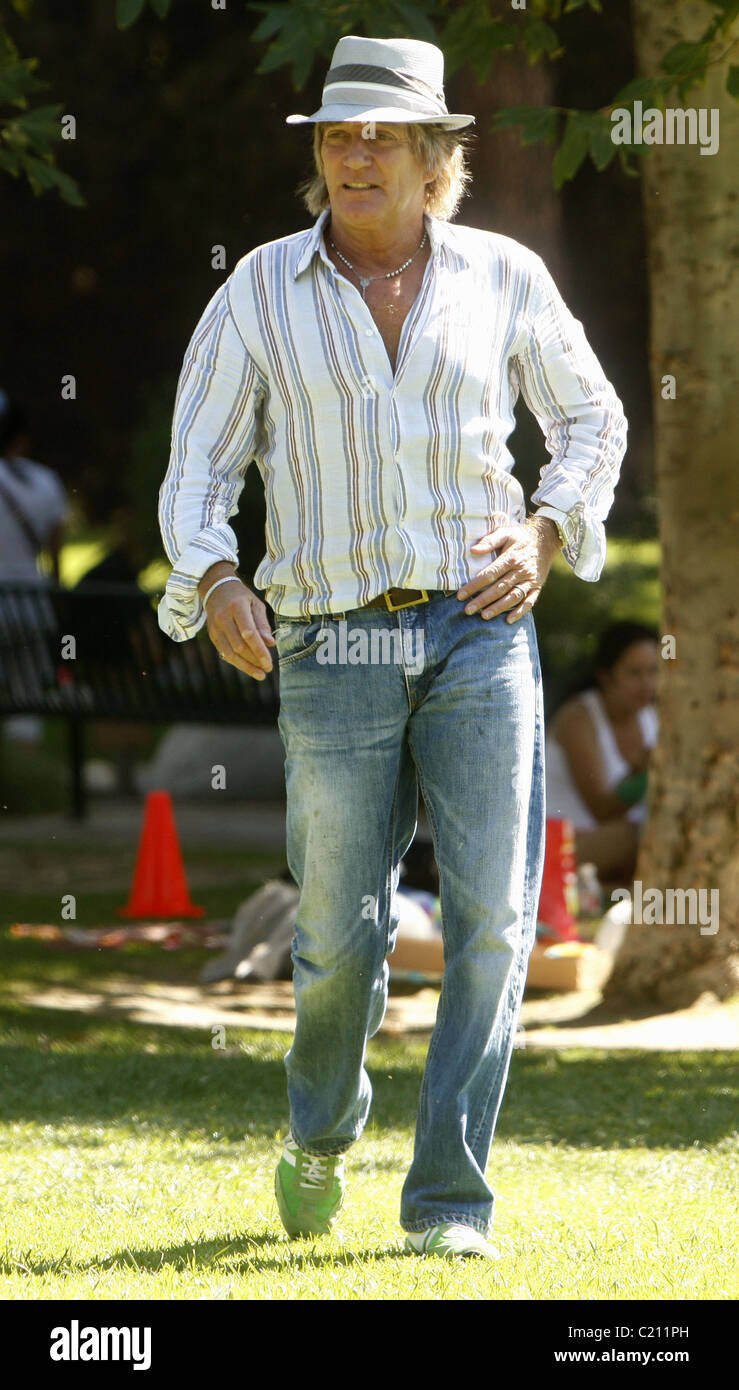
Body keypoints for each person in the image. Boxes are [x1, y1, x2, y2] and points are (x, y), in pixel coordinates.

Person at [157, 35, 627, 1260]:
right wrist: (213, 577)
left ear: (435, 162)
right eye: (334, 135)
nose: (352, 152)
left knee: (488, 923)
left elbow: (590, 418)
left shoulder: (504, 278)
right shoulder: (257, 288)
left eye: (379, 136)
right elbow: (196, 469)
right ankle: (321, 1129)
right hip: (326, 648)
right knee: (338, 937)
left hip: (478, 634)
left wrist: (545, 527)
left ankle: (449, 1199)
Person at [546, 621, 659, 885]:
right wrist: (642, 770)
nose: (647, 684)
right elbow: (601, 810)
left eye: (654, 671)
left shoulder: (651, 716)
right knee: (644, 833)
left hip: (605, 848)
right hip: (562, 847)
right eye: (634, 673)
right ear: (606, 676)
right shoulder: (579, 718)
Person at [0, 391, 68, 741]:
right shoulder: (45, 482)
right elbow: (55, 556)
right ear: (21, 438)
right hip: (30, 602)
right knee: (28, 694)